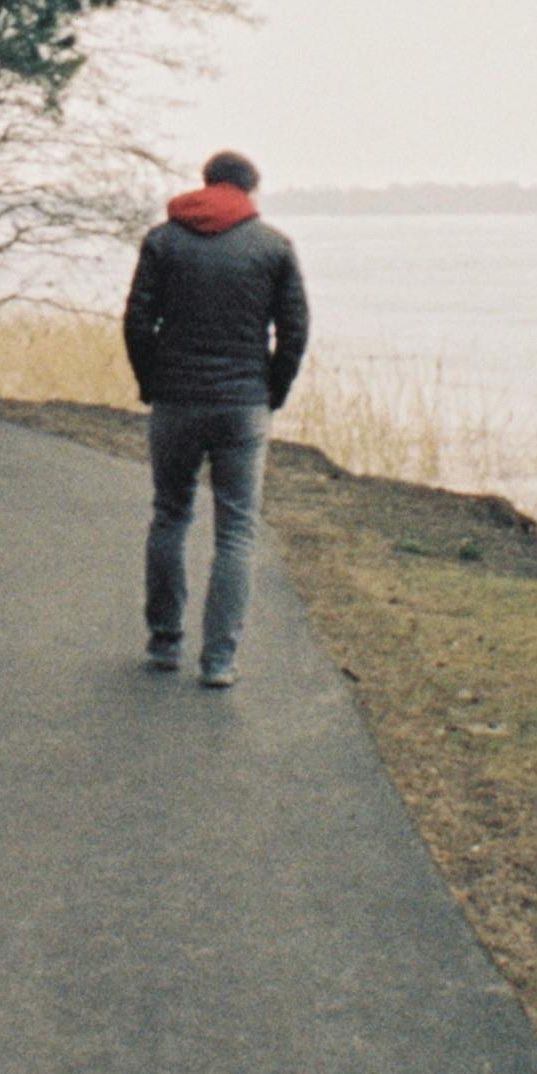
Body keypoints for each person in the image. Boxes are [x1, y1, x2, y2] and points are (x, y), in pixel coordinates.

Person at [121, 152, 310, 689]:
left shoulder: (164, 240)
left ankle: (164, 643)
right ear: (251, 189)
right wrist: (271, 392)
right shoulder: (273, 246)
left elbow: (137, 321)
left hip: (176, 401)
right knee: (236, 533)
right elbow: (295, 332)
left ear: (206, 184)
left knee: (170, 516)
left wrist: (151, 383)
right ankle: (219, 661)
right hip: (242, 404)